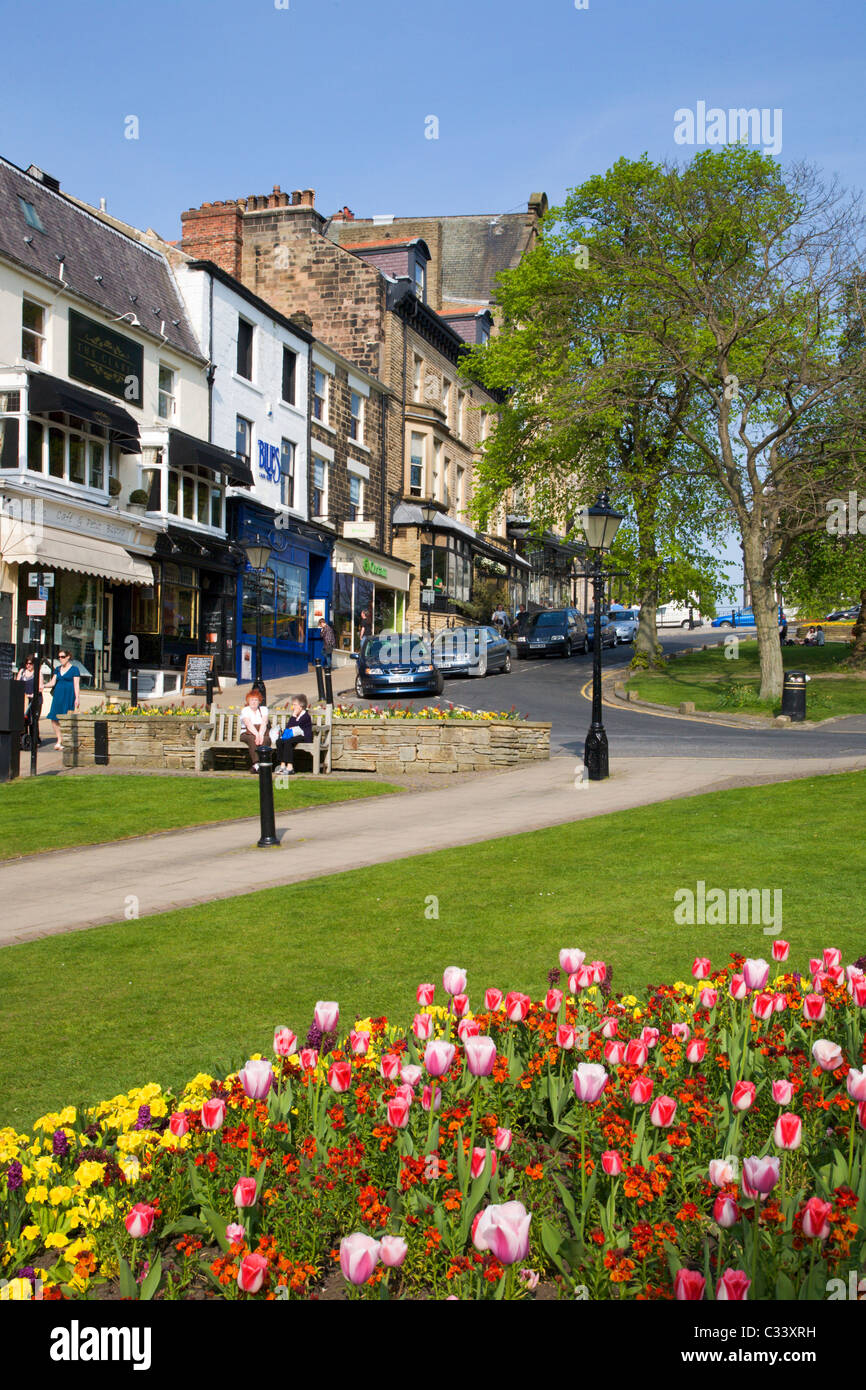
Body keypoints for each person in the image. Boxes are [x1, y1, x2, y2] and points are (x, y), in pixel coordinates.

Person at [45, 649, 80, 750]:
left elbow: (76, 685)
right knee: (54, 718)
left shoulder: (74, 669)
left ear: (68, 657)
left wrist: (77, 698)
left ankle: (65, 740)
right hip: (58, 696)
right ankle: (59, 739)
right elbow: (52, 682)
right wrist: (42, 685)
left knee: (66, 718)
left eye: (62, 657)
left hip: (69, 696)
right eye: (59, 657)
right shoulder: (57, 669)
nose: (60, 659)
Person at [275, 694, 313, 774]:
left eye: (295, 705)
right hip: (294, 736)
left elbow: (294, 725)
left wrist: (294, 715)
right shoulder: (296, 716)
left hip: (304, 736)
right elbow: (288, 727)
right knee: (279, 741)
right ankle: (282, 766)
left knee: (288, 741)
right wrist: (294, 716)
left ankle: (290, 767)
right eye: (293, 705)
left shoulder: (305, 716)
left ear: (301, 706)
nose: (293, 707)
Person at [238, 689, 270, 772]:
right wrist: (257, 735)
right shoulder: (245, 710)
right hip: (247, 733)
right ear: (248, 701)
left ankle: (261, 765)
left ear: (259, 701)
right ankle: (256, 764)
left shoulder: (263, 709)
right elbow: (248, 723)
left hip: (262, 732)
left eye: (256, 700)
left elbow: (264, 722)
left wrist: (261, 735)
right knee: (252, 739)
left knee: (266, 740)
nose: (254, 702)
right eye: (252, 700)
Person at [16, 655, 41, 750]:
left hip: (34, 699)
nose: (28, 665)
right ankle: (24, 737)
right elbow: (17, 683)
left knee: (33, 720)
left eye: (30, 664)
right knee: (24, 719)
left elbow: (40, 686)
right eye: (27, 663)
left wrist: (34, 694)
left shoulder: (37, 673)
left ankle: (35, 739)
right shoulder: (22, 672)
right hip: (23, 698)